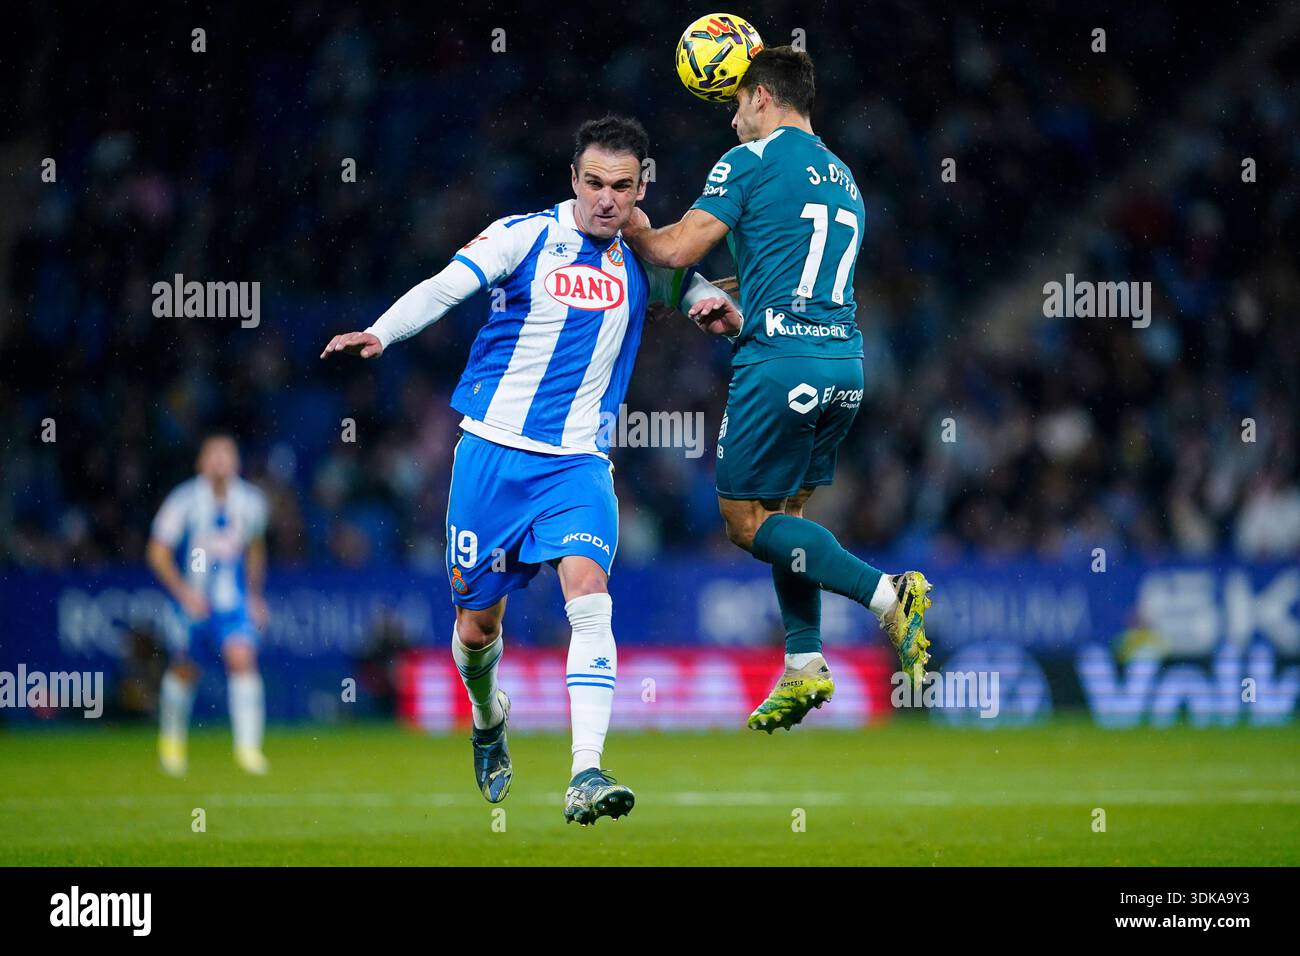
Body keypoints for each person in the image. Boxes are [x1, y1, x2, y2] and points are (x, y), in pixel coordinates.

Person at [321, 114, 741, 824]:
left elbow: (700, 297)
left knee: (591, 596)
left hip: (578, 464)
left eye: (624, 186)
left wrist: (715, 307)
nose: (607, 199)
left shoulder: (644, 258)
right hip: (491, 456)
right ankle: (489, 719)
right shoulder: (525, 235)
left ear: (642, 187)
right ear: (573, 179)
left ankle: (586, 771)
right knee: (478, 629)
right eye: (594, 183)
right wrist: (381, 331)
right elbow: (445, 286)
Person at [623, 48, 934, 733]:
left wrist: (635, 223)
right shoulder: (844, 178)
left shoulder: (750, 163)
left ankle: (890, 596)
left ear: (763, 97)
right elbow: (785, 275)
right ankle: (803, 664)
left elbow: (676, 249)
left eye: (736, 103)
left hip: (779, 365)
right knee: (784, 516)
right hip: (843, 366)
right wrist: (709, 297)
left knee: (743, 523)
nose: (732, 119)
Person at [146, 434, 270, 774]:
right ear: (200, 462)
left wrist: (256, 596)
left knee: (242, 658)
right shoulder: (184, 500)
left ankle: (248, 750)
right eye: (213, 454)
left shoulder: (251, 502)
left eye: (226, 454)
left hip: (232, 602)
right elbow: (157, 552)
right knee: (185, 669)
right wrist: (184, 592)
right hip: (194, 602)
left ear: (237, 462)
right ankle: (171, 744)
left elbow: (256, 549)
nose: (220, 461)